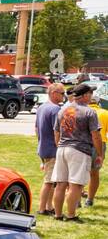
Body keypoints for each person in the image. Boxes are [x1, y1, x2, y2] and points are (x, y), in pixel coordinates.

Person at [50, 83, 104, 223]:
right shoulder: (89, 112)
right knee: (76, 185)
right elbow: (96, 135)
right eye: (90, 93)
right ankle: (71, 215)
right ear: (85, 95)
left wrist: (59, 146)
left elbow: (56, 132)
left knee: (61, 184)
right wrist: (100, 154)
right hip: (79, 150)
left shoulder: (63, 110)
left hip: (62, 148)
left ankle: (57, 214)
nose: (91, 96)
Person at [35, 83, 66, 215]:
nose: (63, 96)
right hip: (52, 149)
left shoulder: (41, 107)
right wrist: (59, 146)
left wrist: (40, 142)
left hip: (43, 146)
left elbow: (36, 128)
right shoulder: (55, 110)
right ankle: (42, 208)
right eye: (62, 93)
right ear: (53, 93)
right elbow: (57, 131)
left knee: (52, 180)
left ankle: (49, 206)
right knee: (49, 181)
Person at [82, 94, 108, 208]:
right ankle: (89, 199)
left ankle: (77, 198)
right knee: (94, 173)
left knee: (79, 171)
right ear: (98, 103)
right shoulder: (105, 113)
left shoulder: (82, 111)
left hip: (83, 142)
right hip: (99, 143)